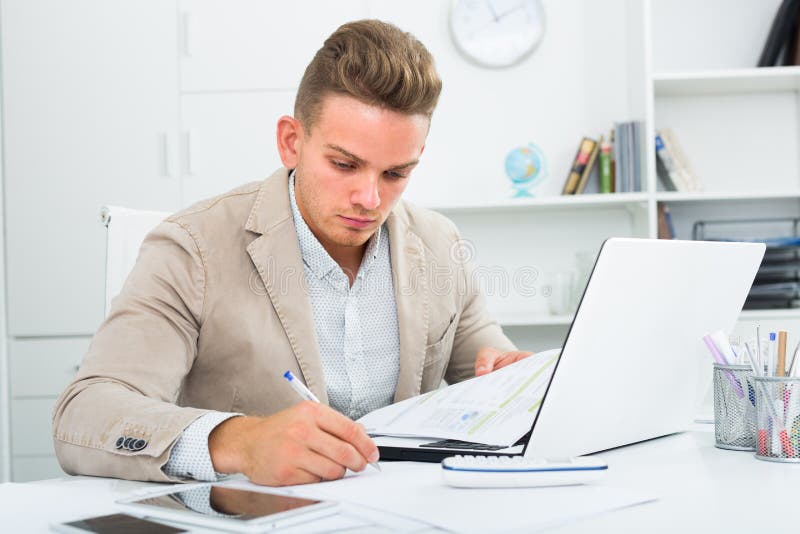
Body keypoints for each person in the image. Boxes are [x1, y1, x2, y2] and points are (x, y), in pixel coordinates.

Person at [53, 19, 531, 486]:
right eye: (345, 164)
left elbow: (493, 368)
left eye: (395, 174)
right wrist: (241, 440)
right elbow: (87, 413)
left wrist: (513, 379)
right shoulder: (190, 247)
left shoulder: (440, 243)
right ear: (291, 142)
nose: (370, 199)